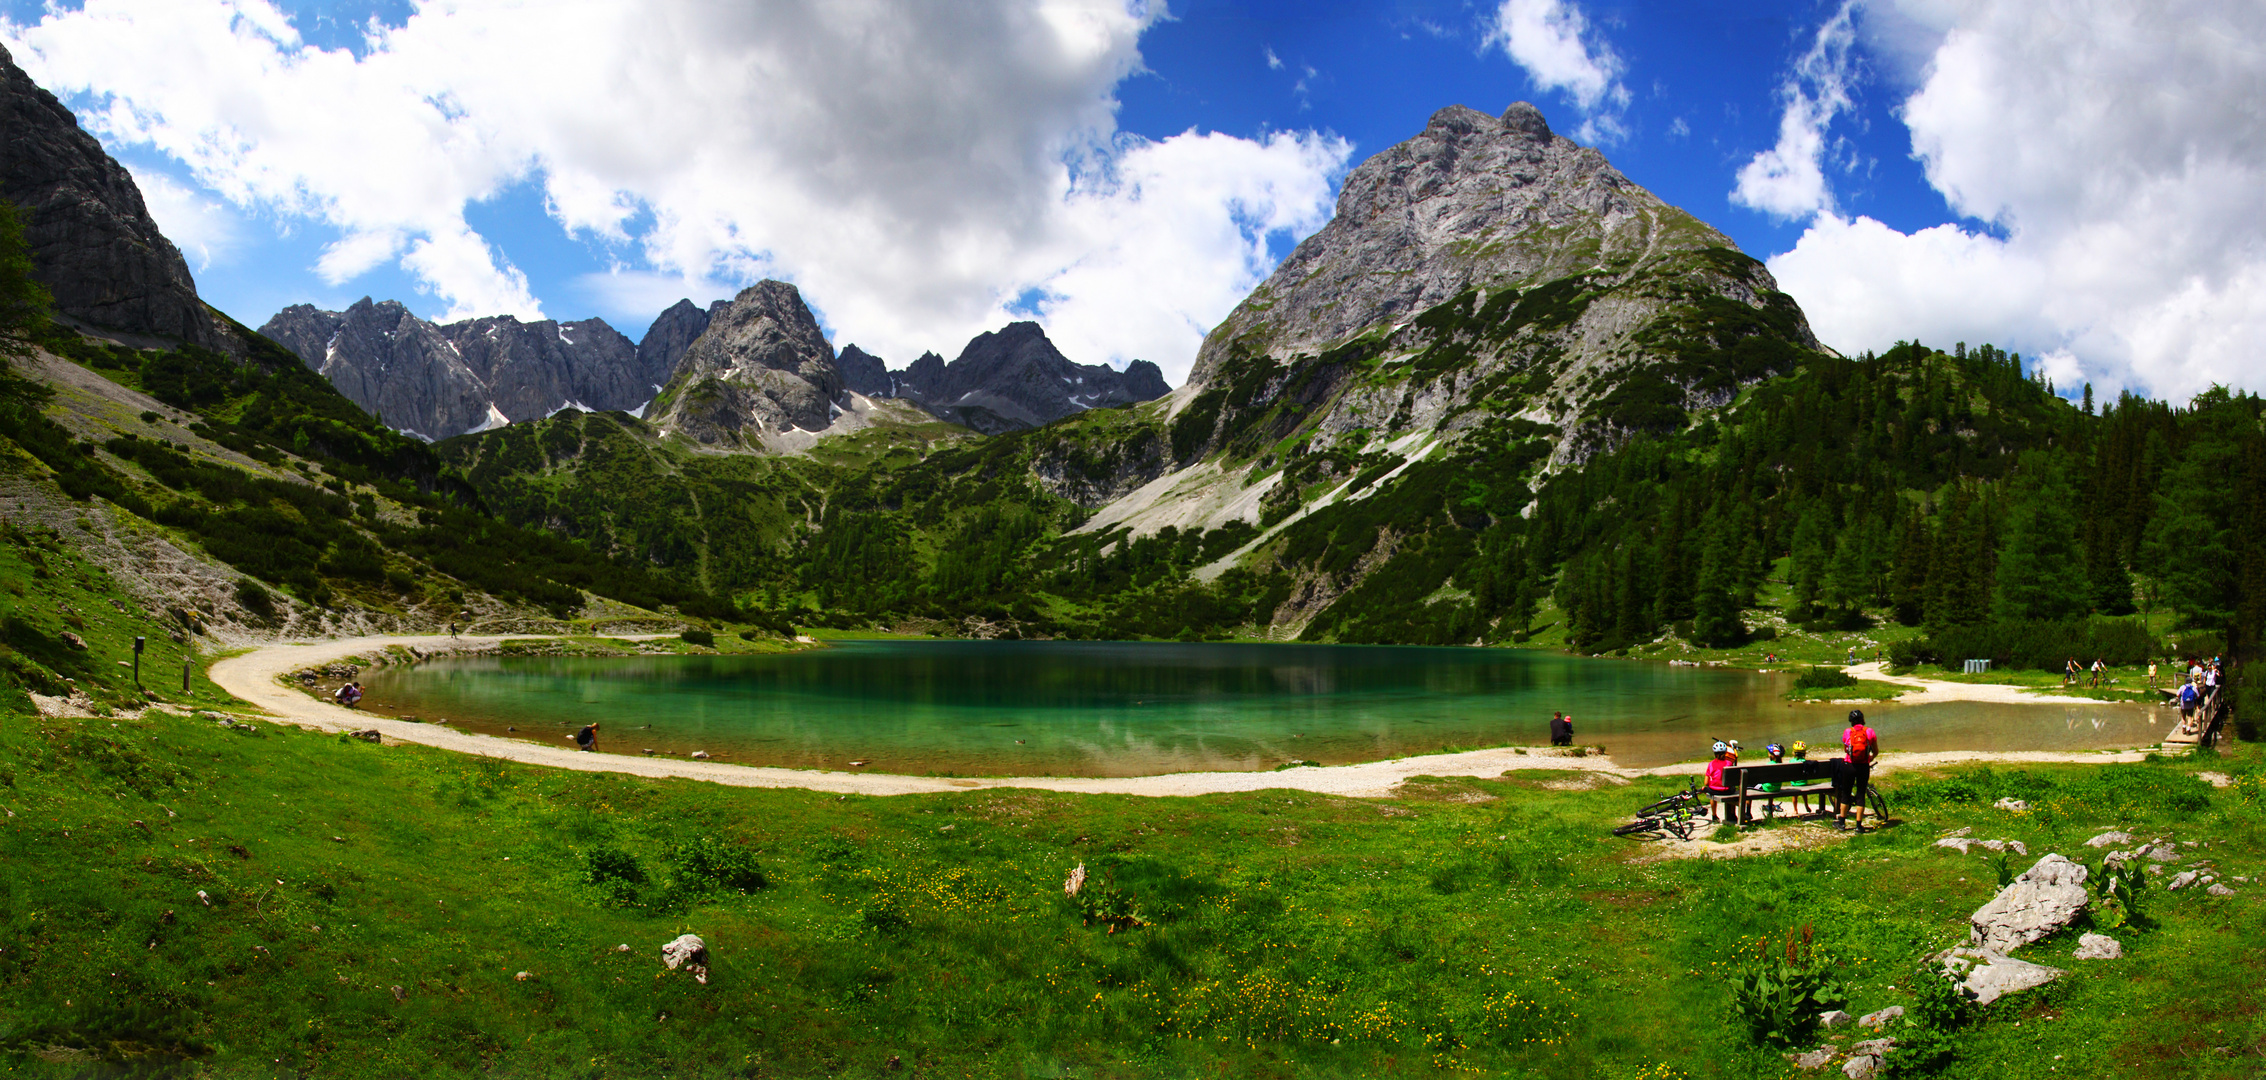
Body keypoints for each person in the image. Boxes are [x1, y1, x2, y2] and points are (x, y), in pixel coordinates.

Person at [1834, 709, 1879, 832]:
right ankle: (1859, 826)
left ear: (1851, 721)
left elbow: (1845, 750)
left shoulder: (1847, 732)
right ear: (1863, 720)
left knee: (1846, 793)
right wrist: (1870, 758)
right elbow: (1875, 751)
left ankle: (1842, 822)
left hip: (1849, 765)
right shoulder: (1869, 732)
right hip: (1863, 766)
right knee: (1860, 794)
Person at [1704, 741, 1737, 823]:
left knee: (1707, 789)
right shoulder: (1729, 763)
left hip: (1714, 791)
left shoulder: (1711, 764)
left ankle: (1714, 815)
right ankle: (1733, 814)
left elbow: (1706, 783)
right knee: (1733, 789)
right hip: (1727, 790)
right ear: (1725, 753)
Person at [1786, 742, 1819, 815]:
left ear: (1794, 753)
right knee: (1804, 792)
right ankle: (1806, 805)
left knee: (1794, 795)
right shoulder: (1806, 762)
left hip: (1794, 784)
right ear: (1804, 753)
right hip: (1804, 783)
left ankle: (1795, 810)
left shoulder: (1791, 762)